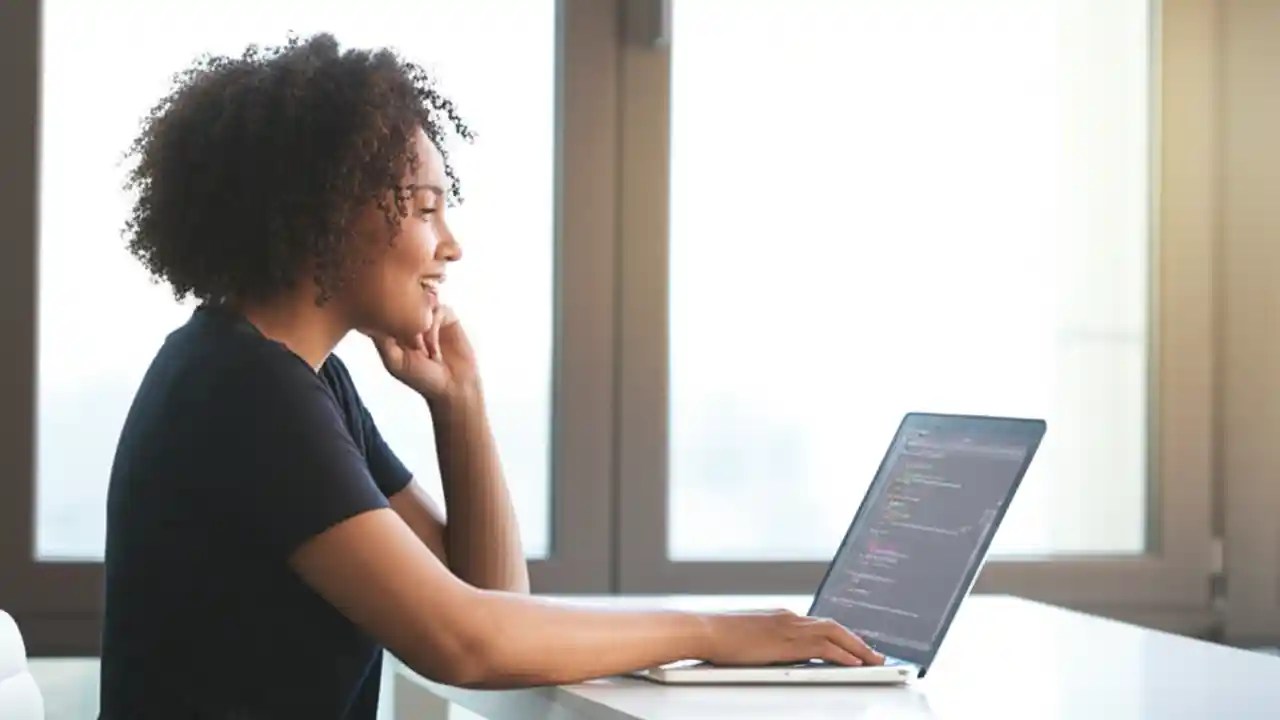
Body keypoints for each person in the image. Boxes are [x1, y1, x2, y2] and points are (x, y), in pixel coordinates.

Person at [98, 33, 881, 719]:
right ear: (329, 212)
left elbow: (493, 606)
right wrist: (713, 633)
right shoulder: (245, 393)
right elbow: (464, 643)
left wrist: (459, 406)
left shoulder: (297, 379)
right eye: (427, 206)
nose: (450, 244)